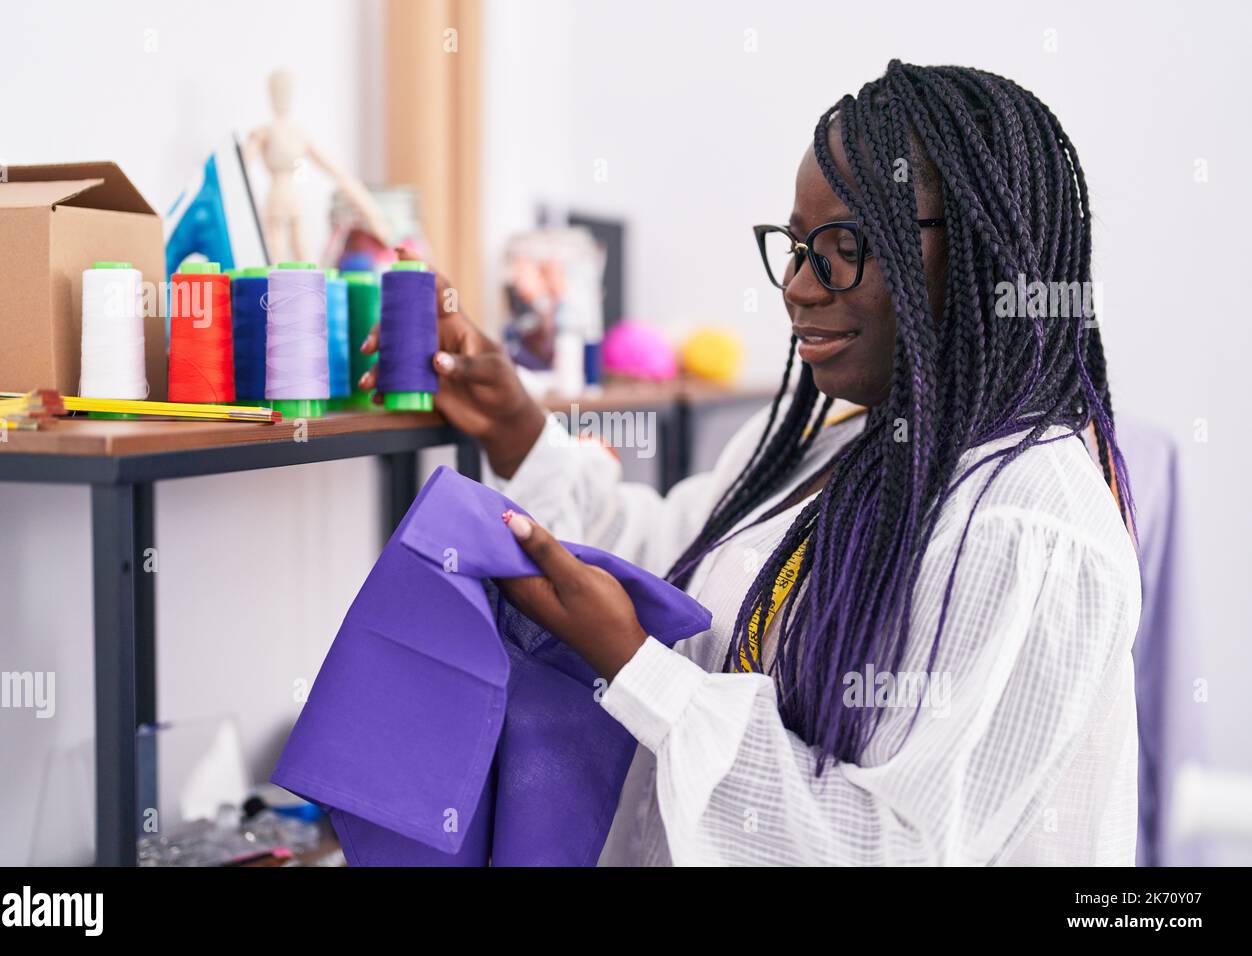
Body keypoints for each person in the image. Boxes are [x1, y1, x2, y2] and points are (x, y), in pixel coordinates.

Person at [358, 60, 1142, 866]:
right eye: (797, 246)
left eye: (842, 246)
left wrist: (636, 669)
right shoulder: (840, 445)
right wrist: (518, 428)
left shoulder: (1028, 528)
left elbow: (893, 847)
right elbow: (671, 564)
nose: (799, 286)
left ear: (980, 253)